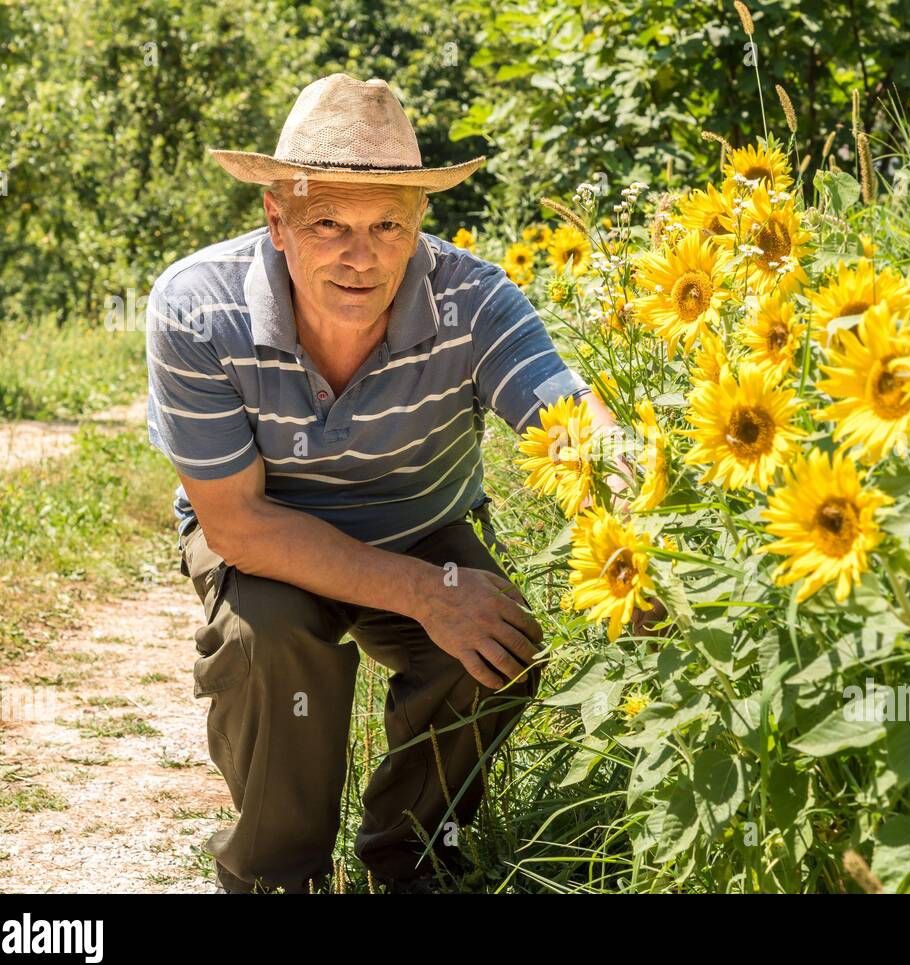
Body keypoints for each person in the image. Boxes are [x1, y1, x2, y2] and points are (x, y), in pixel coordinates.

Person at [144, 73, 623, 894]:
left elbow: (571, 419)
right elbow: (238, 525)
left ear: (419, 225)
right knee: (268, 641)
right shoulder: (196, 310)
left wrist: (633, 500)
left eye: (386, 224)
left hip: (418, 519)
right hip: (268, 530)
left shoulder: (475, 300)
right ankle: (273, 874)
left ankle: (409, 855)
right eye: (327, 222)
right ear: (276, 220)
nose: (359, 255)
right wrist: (427, 593)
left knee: (494, 644)